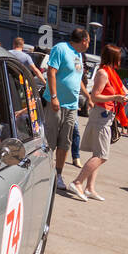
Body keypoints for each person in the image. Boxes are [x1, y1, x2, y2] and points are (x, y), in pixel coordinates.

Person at [68, 44, 128, 201]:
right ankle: (77, 182)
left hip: (106, 117)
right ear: (113, 57)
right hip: (101, 116)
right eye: (119, 57)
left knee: (98, 154)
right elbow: (94, 96)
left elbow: (126, 93)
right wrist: (114, 98)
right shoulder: (103, 73)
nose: (121, 60)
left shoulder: (112, 74)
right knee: (102, 155)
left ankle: (89, 188)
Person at [44, 26, 93, 191]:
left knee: (65, 142)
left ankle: (58, 175)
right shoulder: (60, 49)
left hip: (72, 106)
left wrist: (88, 96)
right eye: (89, 41)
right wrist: (53, 97)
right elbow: (51, 72)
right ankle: (45, 173)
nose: (89, 44)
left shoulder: (79, 55)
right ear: (84, 40)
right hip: (55, 104)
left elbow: (77, 78)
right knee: (50, 141)